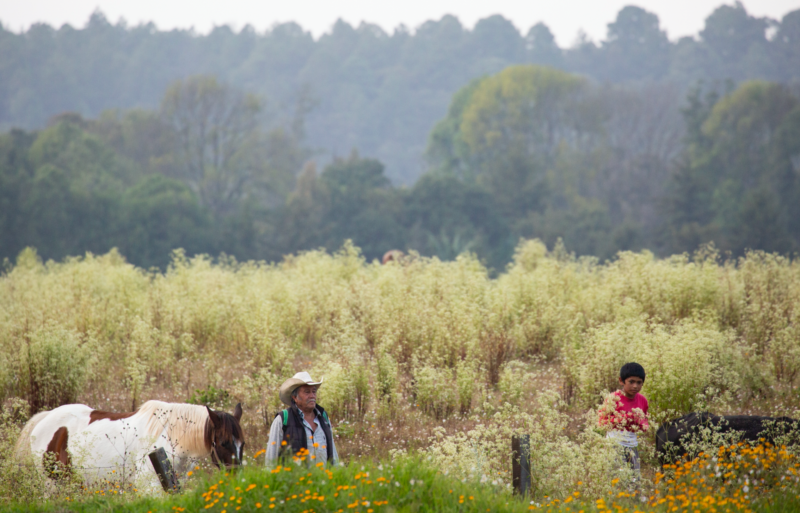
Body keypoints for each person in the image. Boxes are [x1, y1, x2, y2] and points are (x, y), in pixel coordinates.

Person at [265, 372, 339, 468]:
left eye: (314, 391)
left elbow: (333, 454)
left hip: (323, 481)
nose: (312, 396)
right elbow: (271, 459)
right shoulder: (283, 420)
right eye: (307, 392)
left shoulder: (323, 418)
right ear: (295, 397)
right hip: (295, 482)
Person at [598, 362, 649, 482]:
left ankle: (635, 500)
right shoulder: (612, 399)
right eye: (631, 382)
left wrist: (642, 425)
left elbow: (644, 421)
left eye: (639, 382)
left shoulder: (642, 400)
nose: (635, 386)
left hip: (632, 445)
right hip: (615, 445)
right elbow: (602, 423)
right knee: (616, 480)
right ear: (621, 381)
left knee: (635, 480)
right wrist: (625, 418)